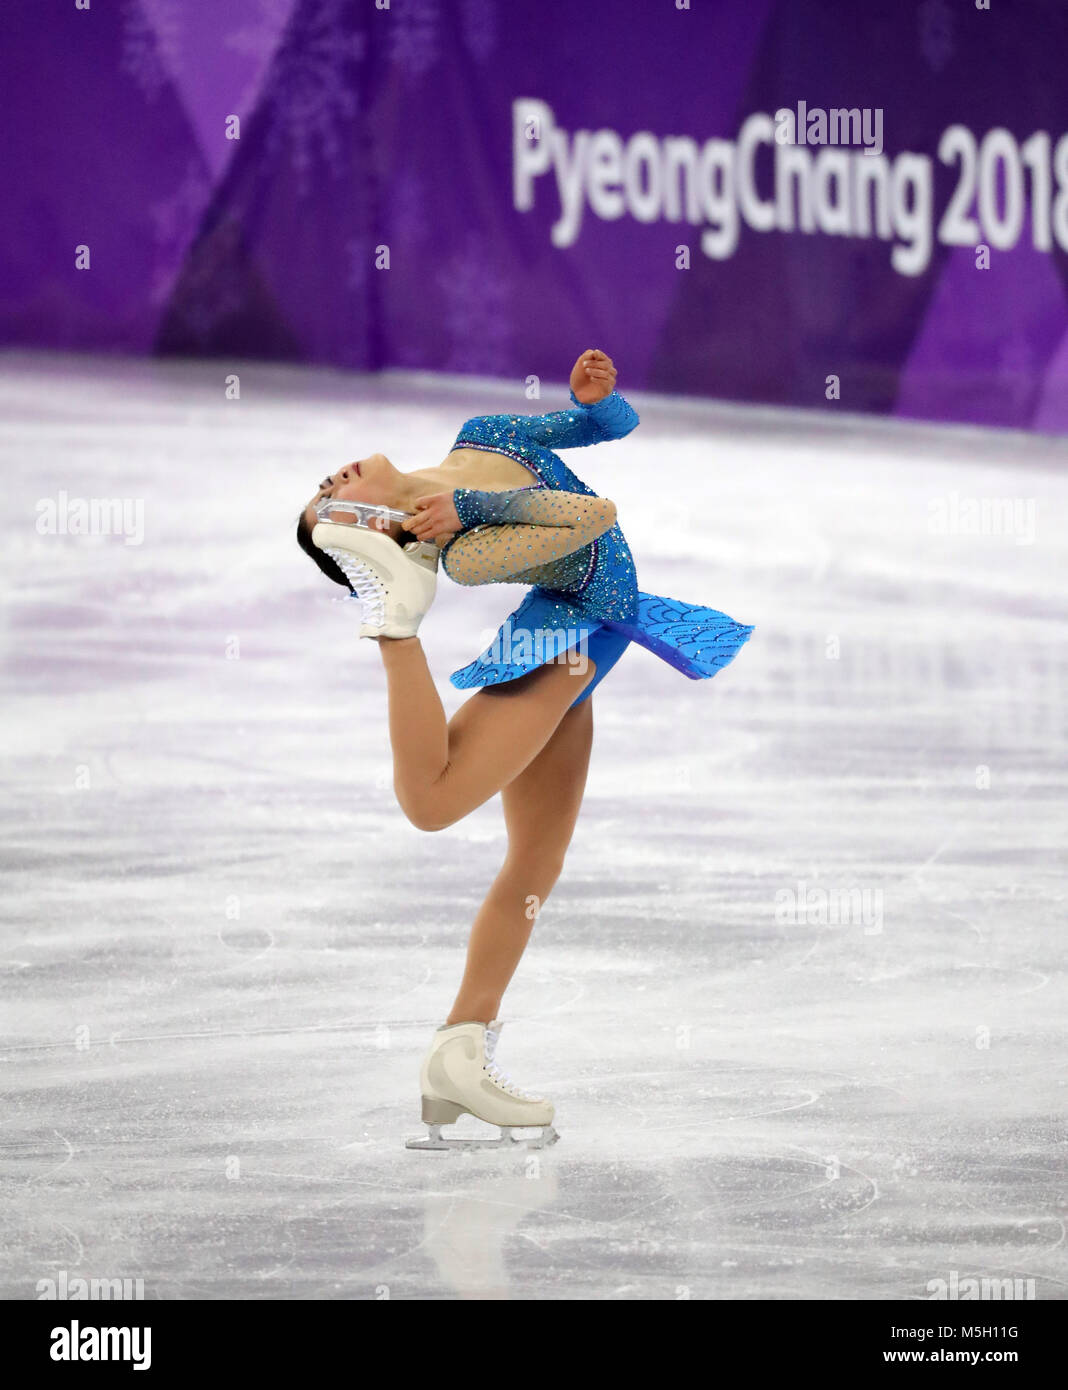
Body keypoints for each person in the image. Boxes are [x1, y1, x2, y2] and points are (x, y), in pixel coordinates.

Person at [296, 350, 753, 1149]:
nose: (329, 481)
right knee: (432, 802)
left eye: (323, 486)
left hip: (593, 647)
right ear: (376, 531)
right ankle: (394, 623)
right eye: (329, 503)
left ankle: (460, 1053)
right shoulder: (471, 550)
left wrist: (597, 403)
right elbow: (596, 515)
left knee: (534, 868)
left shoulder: (486, 432)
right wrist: (467, 510)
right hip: (565, 644)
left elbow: (605, 429)